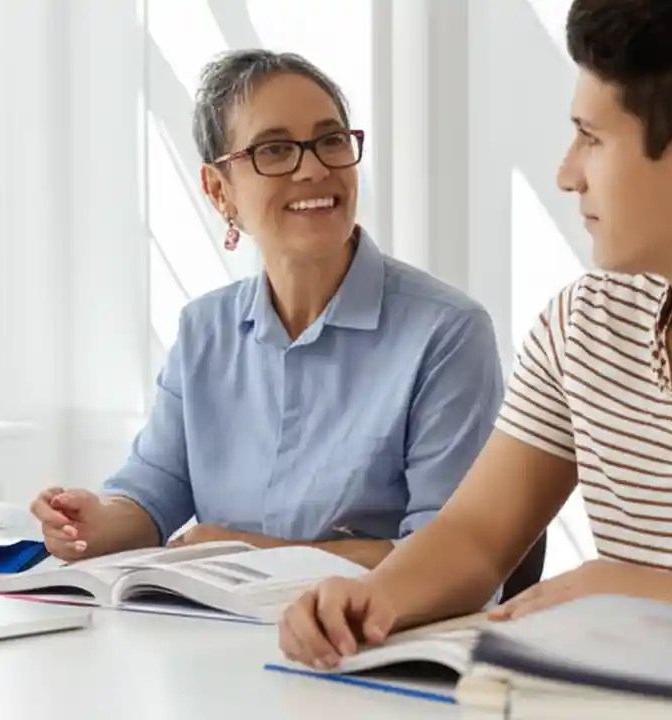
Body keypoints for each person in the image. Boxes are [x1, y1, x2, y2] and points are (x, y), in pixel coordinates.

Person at [279, 0, 672, 669]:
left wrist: (648, 600)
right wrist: (371, 597)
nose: (567, 174)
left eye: (591, 138)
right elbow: (477, 535)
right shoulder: (586, 322)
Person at [30, 50, 503, 569]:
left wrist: (248, 553)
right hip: (212, 635)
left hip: (370, 643)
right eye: (274, 150)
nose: (314, 168)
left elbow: (451, 561)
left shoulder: (448, 332)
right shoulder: (203, 330)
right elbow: (151, 493)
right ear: (218, 191)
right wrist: (92, 521)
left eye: (330, 141)